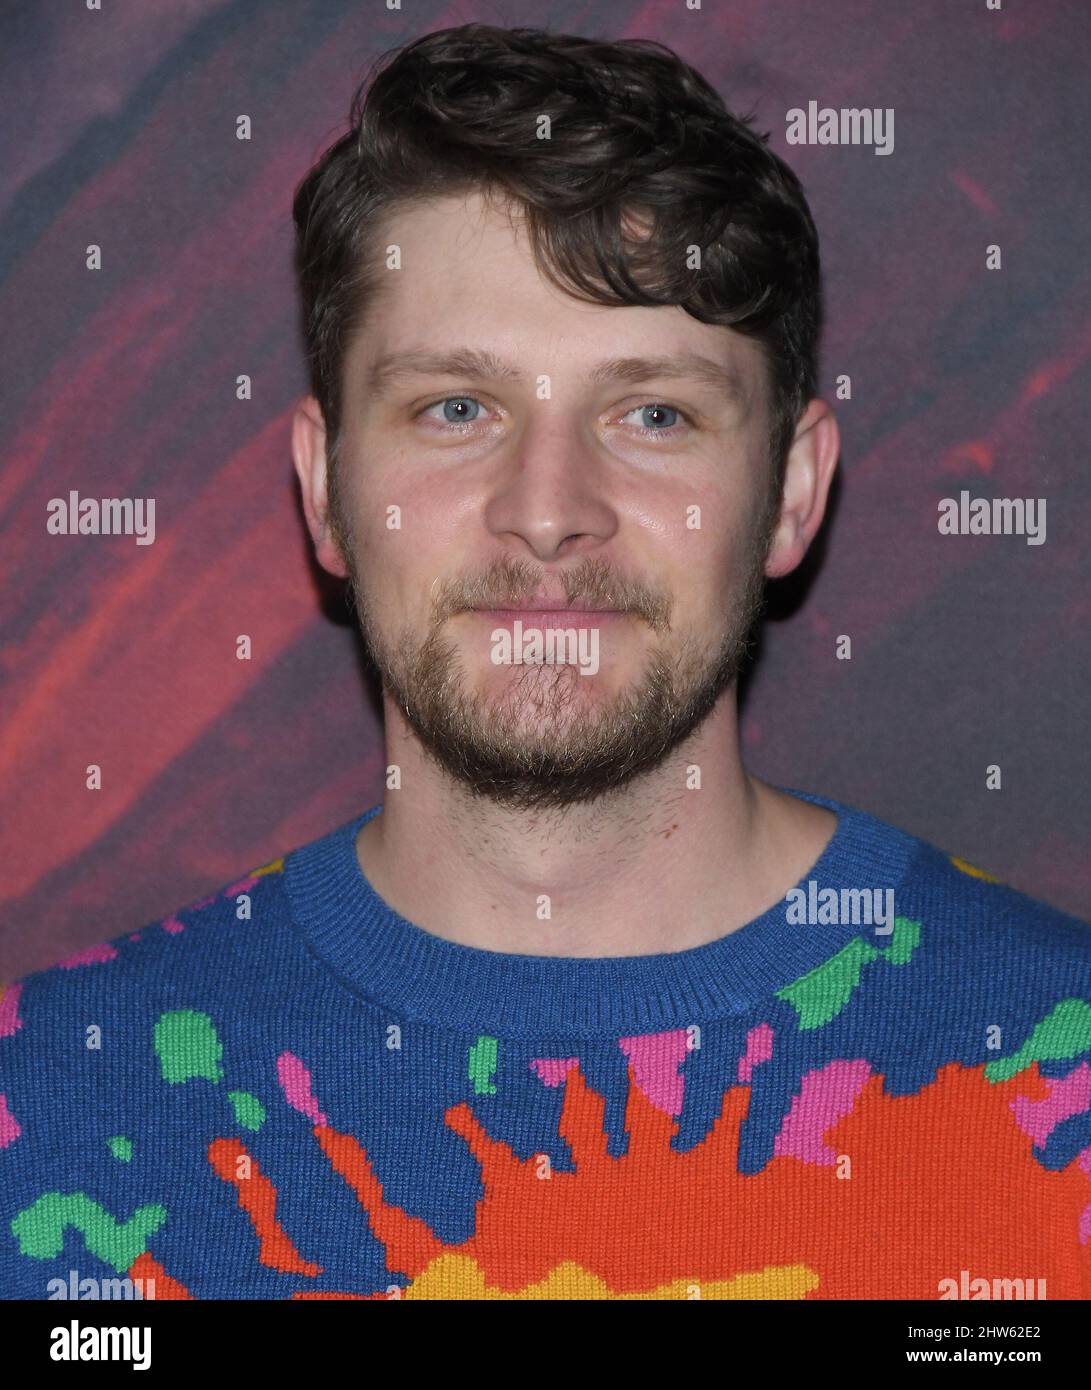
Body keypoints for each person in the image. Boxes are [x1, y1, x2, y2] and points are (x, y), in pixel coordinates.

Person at [2, 23, 1089, 1302]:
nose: (548, 505)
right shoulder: (53, 1102)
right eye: (456, 408)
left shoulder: (1057, 1069)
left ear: (791, 493)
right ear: (326, 491)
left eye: (652, 413)